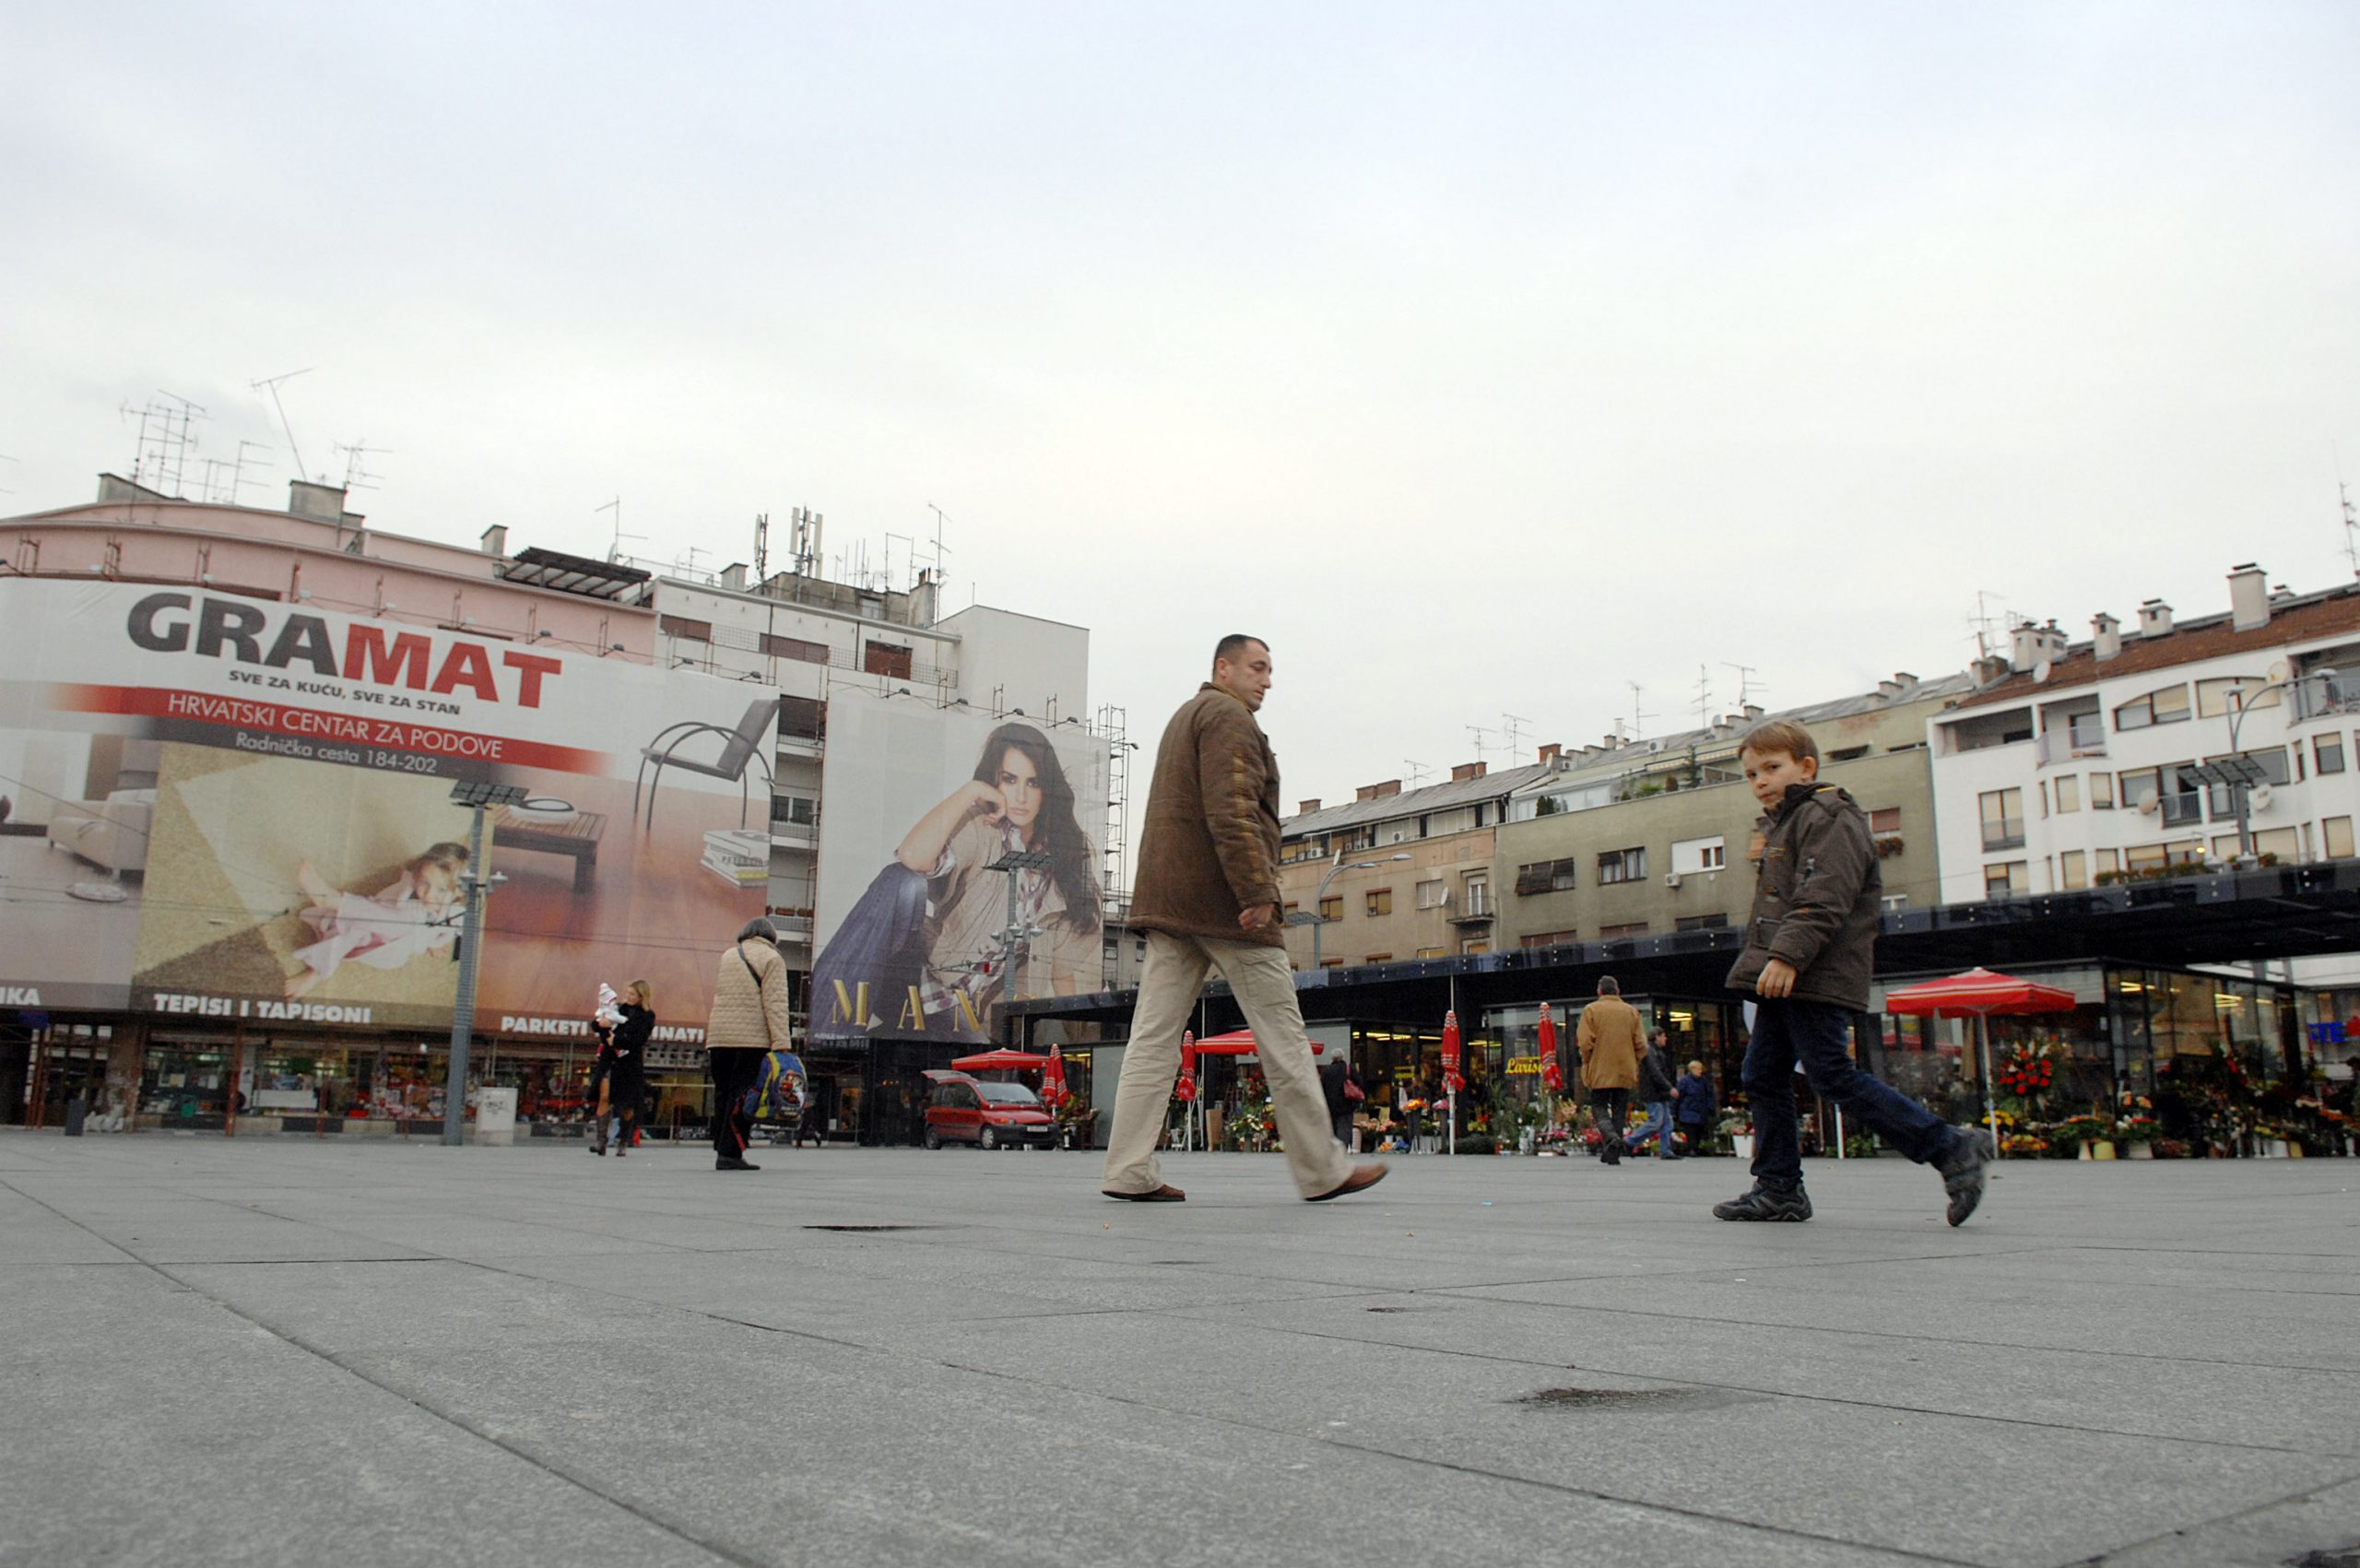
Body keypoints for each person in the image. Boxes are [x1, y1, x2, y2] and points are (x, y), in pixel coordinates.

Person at [1100, 636, 1386, 1204]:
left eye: (1271, 670)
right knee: (1281, 1033)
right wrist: (1257, 890)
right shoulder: (1228, 717)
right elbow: (1232, 808)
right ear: (1222, 668)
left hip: (1172, 902)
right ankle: (1322, 1169)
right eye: (1258, 667)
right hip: (1227, 906)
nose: (1268, 680)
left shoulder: (1187, 715)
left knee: (1153, 1041)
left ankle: (1126, 1169)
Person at [1717, 720, 1993, 1224]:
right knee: (1762, 1074)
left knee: (1831, 1074)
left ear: (1807, 766)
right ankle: (1779, 1188)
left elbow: (1824, 896)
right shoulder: (1788, 822)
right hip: (1792, 972)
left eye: (1771, 768)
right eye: (1751, 773)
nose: (1760, 780)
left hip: (1812, 971)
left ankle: (1949, 1146)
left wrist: (1786, 957)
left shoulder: (1828, 815)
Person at [813, 724, 1101, 1044]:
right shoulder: (982, 827)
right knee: (903, 882)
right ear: (994, 779)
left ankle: (892, 1037)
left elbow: (1061, 970)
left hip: (960, 1013)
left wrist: (1077, 1041)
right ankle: (831, 1037)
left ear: (1047, 787)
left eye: (1033, 782)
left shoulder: (1066, 855)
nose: (1020, 796)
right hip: (914, 977)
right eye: (1009, 779)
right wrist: (970, 792)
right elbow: (912, 857)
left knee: (977, 1051)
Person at [284, 844, 468, 999]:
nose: (429, 895)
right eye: (424, 883)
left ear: (459, 892)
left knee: (357, 931)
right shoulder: (409, 890)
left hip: (388, 948)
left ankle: (333, 903)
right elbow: (393, 892)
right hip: (370, 919)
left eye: (441, 890)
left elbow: (446, 934)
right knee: (349, 933)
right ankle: (318, 966)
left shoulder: (457, 915)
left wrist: (432, 943)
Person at [704, 917, 794, 1172]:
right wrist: (781, 1042)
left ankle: (720, 1144)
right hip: (750, 1040)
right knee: (743, 1096)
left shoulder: (729, 955)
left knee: (723, 1094)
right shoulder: (772, 959)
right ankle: (730, 1152)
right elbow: (775, 1004)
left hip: (720, 1038)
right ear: (770, 937)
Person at [1575, 976, 1644, 1167]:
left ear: (1599, 992)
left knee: (1599, 1106)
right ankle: (1613, 1152)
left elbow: (1585, 1042)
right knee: (1620, 1108)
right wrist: (1633, 1061)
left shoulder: (1591, 1010)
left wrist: (1589, 1060)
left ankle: (1612, 1138)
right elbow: (1641, 1044)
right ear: (1618, 991)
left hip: (1600, 1067)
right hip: (1625, 1068)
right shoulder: (1631, 1012)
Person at [602, 980, 654, 1157]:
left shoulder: (647, 1016)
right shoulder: (619, 1009)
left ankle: (623, 1139)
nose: (628, 997)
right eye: (627, 993)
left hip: (631, 1063)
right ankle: (601, 1140)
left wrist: (617, 1041)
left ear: (641, 997)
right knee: (605, 1097)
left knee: (627, 1104)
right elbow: (603, 1025)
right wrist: (603, 1030)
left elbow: (639, 1039)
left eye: (632, 995)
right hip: (612, 1059)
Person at [1626, 1029, 1678, 1158]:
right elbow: (1655, 1072)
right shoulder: (1650, 1052)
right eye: (1663, 1036)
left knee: (1667, 1122)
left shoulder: (1655, 1051)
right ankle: (1629, 1141)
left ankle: (1666, 1150)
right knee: (1656, 1122)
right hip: (1653, 1093)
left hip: (1659, 1093)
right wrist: (1669, 1087)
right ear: (1657, 1037)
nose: (1665, 1039)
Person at [1672, 1057, 1717, 1159]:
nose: (1700, 1071)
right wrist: (1674, 1111)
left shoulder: (1703, 1081)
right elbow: (1678, 1097)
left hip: (1700, 1110)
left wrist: (1710, 1107)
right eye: (1698, 1069)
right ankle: (1691, 1148)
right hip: (1688, 1110)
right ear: (1692, 1069)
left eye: (1701, 1069)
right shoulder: (1684, 1081)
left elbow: (1709, 1095)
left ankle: (1695, 1148)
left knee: (1698, 1131)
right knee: (1691, 1130)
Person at [1319, 1055, 1352, 1149]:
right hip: (1347, 1102)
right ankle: (1343, 1146)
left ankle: (1333, 1145)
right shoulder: (1348, 1069)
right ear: (1342, 1057)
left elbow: (1322, 1086)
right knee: (1345, 1125)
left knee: (1332, 1125)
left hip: (1331, 1103)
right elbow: (1359, 1082)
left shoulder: (1327, 1070)